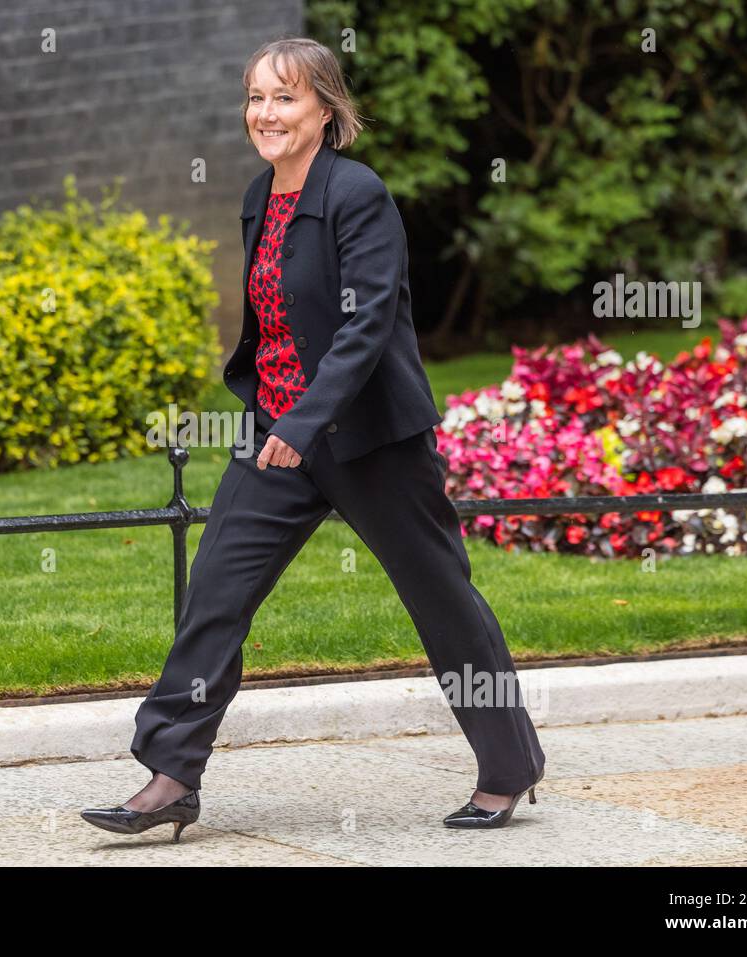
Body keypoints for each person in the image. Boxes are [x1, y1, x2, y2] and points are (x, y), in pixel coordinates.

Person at [82, 37, 545, 844]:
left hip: (372, 439)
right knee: (215, 592)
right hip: (277, 436)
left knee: (442, 597)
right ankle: (171, 777)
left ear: (325, 110)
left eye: (284, 97)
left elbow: (367, 326)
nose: (265, 113)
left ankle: (508, 767)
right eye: (255, 97)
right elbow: (275, 321)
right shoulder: (259, 196)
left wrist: (304, 421)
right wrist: (277, 417)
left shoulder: (358, 195)